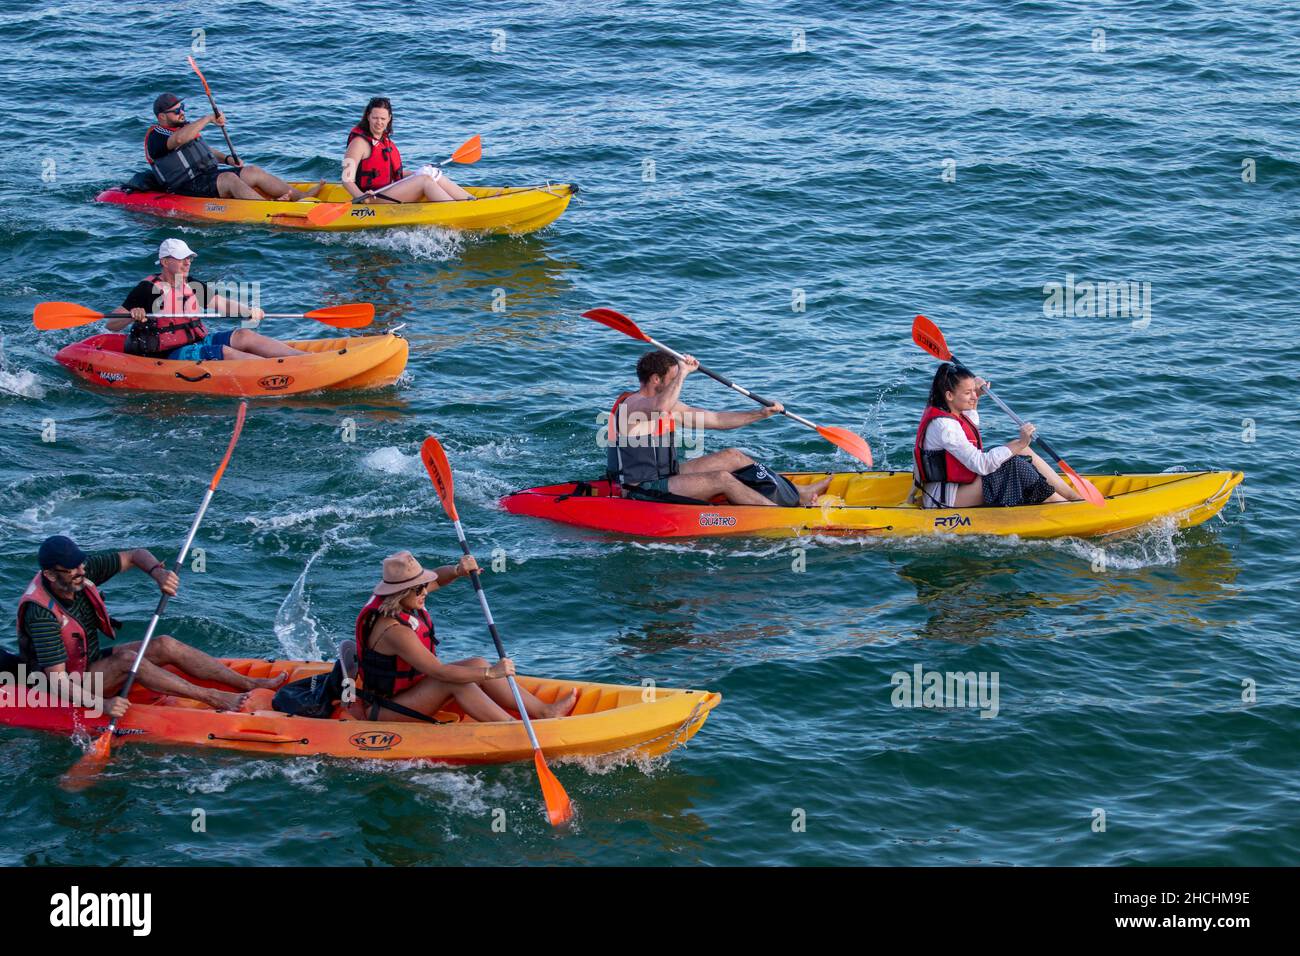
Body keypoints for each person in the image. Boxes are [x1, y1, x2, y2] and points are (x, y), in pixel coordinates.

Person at [15, 536, 287, 717]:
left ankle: (250, 682)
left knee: (164, 644)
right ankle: (215, 698)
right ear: (50, 575)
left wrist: (158, 573)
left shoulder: (79, 572)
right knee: (127, 660)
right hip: (61, 686)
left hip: (89, 663)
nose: (81, 572)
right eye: (71, 570)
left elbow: (134, 555)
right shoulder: (41, 615)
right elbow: (58, 682)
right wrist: (104, 705)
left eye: (81, 564)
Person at [350, 551, 576, 723]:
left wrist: (458, 569)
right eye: (418, 589)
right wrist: (490, 673)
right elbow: (440, 672)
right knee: (459, 684)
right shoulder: (394, 631)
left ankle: (544, 711)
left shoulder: (402, 600)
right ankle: (513, 728)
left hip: (405, 692)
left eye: (422, 586)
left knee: (476, 662)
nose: (425, 592)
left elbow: (437, 579)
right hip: (384, 709)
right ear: (400, 592)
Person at [606, 350, 832, 506]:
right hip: (640, 489)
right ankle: (780, 514)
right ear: (656, 379)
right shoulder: (632, 405)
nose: (677, 383)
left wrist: (760, 414)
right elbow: (659, 406)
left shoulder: (669, 408)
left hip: (667, 475)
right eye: (672, 379)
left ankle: (799, 493)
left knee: (732, 456)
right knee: (722, 479)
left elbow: (717, 420)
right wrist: (683, 372)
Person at [914, 362, 1085, 508]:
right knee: (1014, 465)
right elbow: (981, 464)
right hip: (943, 497)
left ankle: (1072, 497)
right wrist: (1019, 443)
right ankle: (1063, 507)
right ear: (949, 395)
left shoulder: (949, 411)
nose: (973, 396)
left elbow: (969, 426)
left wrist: (976, 395)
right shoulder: (944, 425)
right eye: (968, 393)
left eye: (974, 391)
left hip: (960, 485)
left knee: (1022, 452)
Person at [105, 238, 308, 361]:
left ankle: (304, 360)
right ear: (165, 262)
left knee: (244, 335)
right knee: (225, 352)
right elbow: (112, 324)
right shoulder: (147, 289)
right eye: (181, 258)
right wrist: (132, 315)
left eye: (189, 258)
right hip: (167, 354)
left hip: (195, 341)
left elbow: (221, 304)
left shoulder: (192, 284)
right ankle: (276, 369)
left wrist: (249, 310)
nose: (187, 262)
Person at [144, 92, 323, 201]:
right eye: (176, 111)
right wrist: (208, 119)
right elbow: (177, 141)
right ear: (162, 117)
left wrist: (227, 159)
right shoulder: (156, 136)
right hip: (186, 186)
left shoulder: (185, 127)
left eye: (182, 107)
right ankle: (267, 207)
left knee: (252, 171)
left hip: (207, 177)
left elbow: (206, 151)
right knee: (229, 179)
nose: (182, 112)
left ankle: (301, 196)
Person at [341, 97, 475, 203]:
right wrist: (361, 196)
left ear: (389, 119)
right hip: (372, 198)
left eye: (383, 118)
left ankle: (470, 201)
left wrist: (416, 172)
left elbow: (391, 174)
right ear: (368, 117)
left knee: (430, 173)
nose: (379, 122)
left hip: (387, 190)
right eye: (375, 118)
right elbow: (347, 179)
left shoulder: (385, 142)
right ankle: (454, 210)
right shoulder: (358, 143)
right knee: (424, 181)